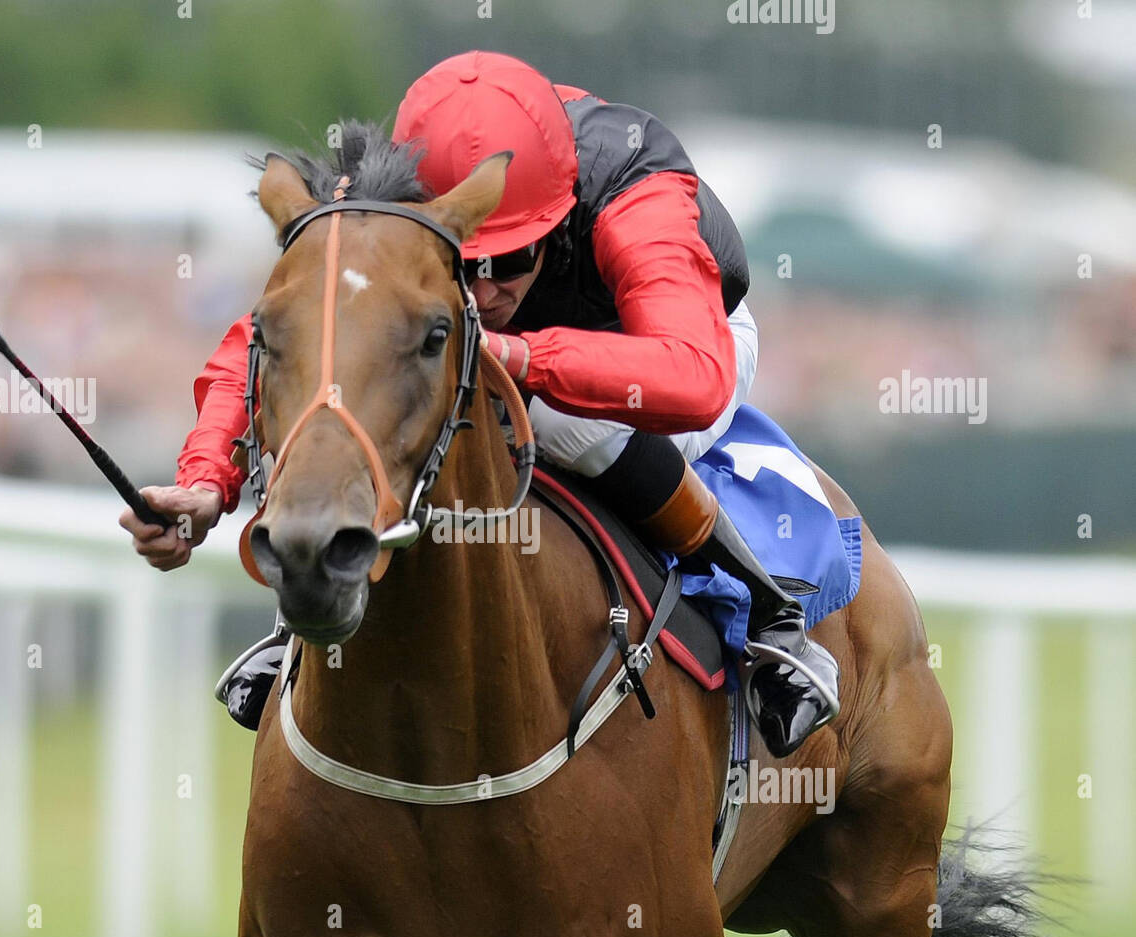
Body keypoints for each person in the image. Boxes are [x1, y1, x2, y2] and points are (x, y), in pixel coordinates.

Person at [120, 51, 839, 758]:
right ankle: (307, 606)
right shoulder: (390, 192)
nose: (489, 292)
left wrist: (521, 357)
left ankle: (771, 612)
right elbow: (276, 332)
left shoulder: (635, 191)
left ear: (554, 219)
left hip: (669, 339)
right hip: (481, 341)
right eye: (468, 265)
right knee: (365, 375)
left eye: (512, 260)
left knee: (558, 420)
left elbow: (695, 373)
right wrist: (205, 479)